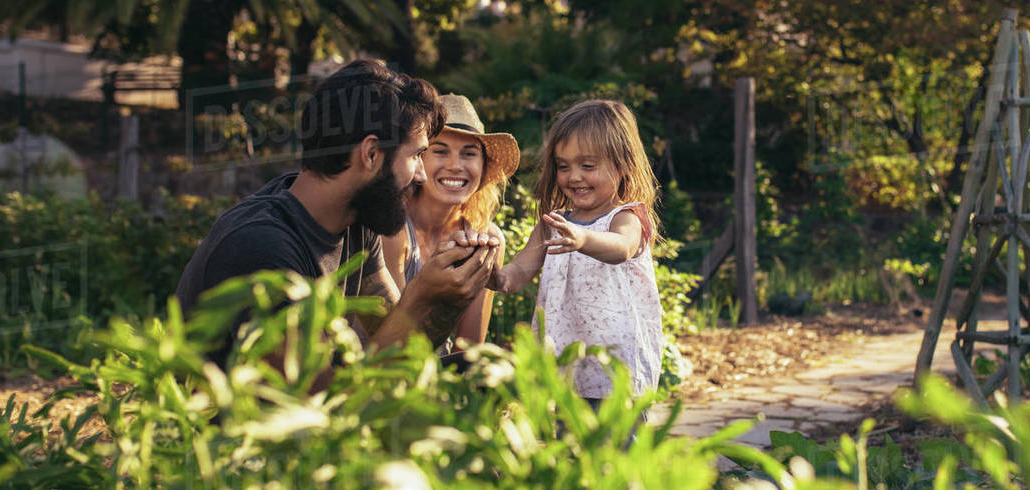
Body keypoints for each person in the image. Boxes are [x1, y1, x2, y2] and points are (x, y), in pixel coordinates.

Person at [175, 59, 500, 376]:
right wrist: (421, 295)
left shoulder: (357, 219)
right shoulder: (262, 247)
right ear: (371, 154)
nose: (420, 176)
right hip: (236, 425)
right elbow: (317, 403)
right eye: (417, 156)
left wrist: (449, 294)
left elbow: (395, 346)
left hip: (322, 411)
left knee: (485, 371)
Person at [490, 99, 664, 406]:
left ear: (623, 167)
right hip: (564, 368)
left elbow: (621, 248)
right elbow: (518, 273)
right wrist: (492, 275)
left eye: (588, 166)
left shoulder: (626, 217)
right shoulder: (554, 223)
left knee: (616, 449)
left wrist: (584, 239)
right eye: (563, 166)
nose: (574, 177)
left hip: (616, 370)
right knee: (570, 448)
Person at [382, 94, 519, 349]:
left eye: (469, 154)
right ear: (419, 159)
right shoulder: (392, 229)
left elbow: (468, 348)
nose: (456, 166)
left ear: (484, 166)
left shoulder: (486, 240)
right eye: (441, 152)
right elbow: (389, 338)